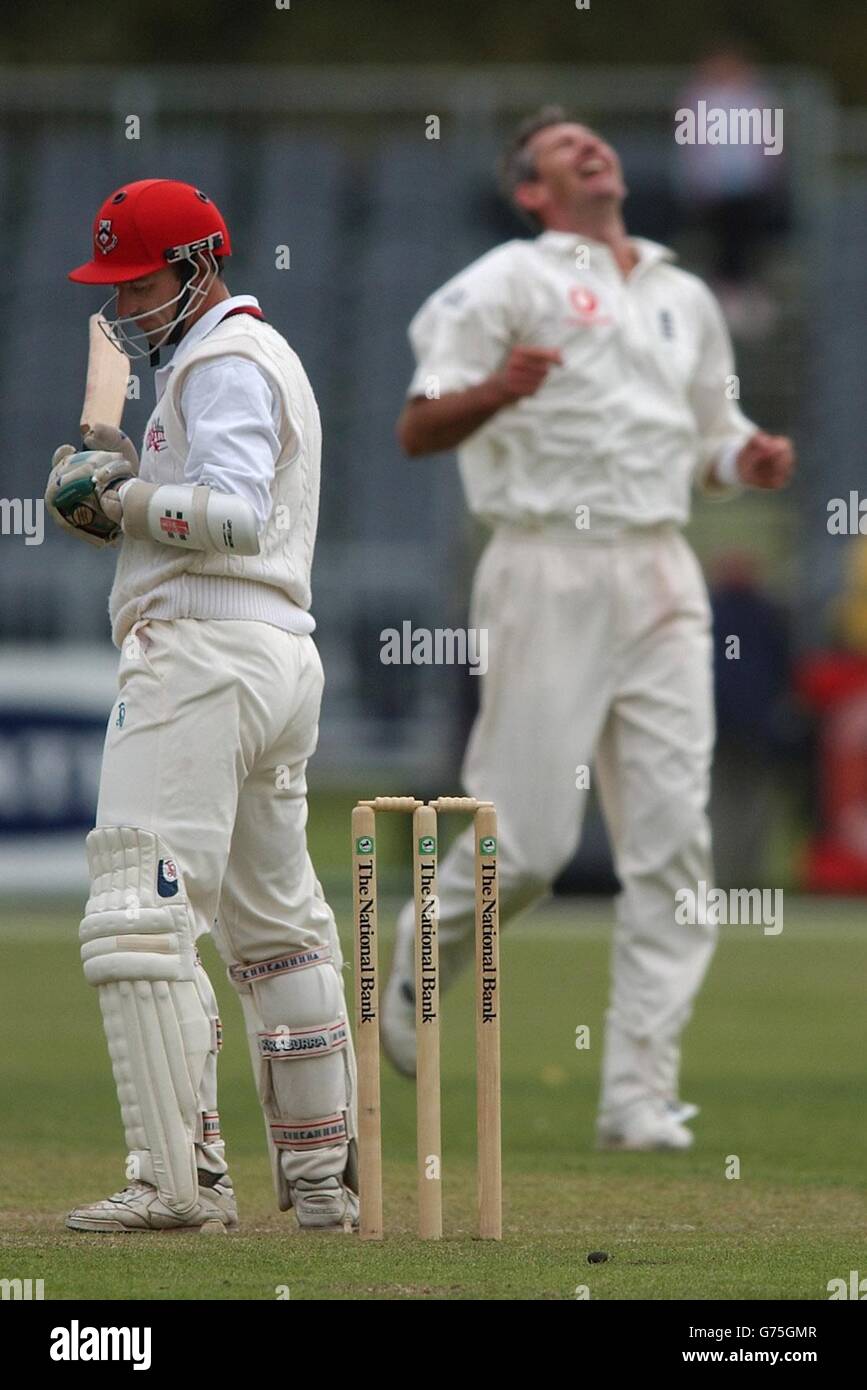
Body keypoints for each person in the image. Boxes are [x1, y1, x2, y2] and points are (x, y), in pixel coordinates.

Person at [382, 109, 795, 1150]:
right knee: (527, 847)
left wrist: (742, 460)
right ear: (532, 190)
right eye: (563, 148)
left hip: (661, 565)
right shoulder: (505, 281)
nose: (590, 148)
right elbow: (417, 427)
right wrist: (496, 387)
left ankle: (638, 1096)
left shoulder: (681, 292)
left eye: (594, 139)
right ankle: (412, 968)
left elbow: (707, 436)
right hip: (543, 564)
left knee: (674, 844)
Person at [45, 178, 357, 1231]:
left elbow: (234, 517)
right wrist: (129, 482)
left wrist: (117, 500)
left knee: (139, 913)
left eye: (137, 285)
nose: (125, 309)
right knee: (277, 930)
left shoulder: (223, 361)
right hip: (272, 659)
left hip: (202, 658)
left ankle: (178, 1183)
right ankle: (320, 1190)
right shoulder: (246, 360)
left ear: (197, 267)